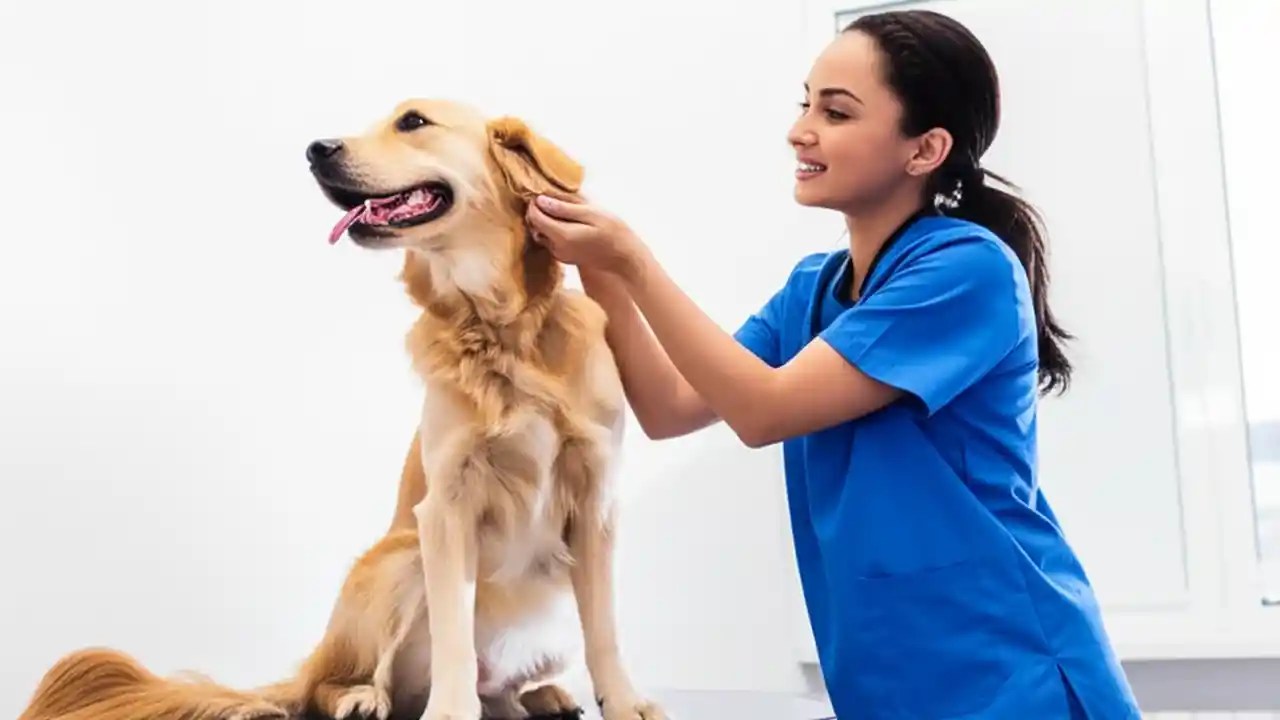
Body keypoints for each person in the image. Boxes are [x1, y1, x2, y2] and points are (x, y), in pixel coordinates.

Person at [526, 9, 1141, 720]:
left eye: (837, 111)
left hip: (1010, 672)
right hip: (884, 678)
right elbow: (667, 408)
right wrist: (604, 274)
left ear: (925, 149)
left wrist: (634, 259)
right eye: (806, 102)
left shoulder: (965, 271)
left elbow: (763, 412)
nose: (801, 129)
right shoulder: (810, 290)